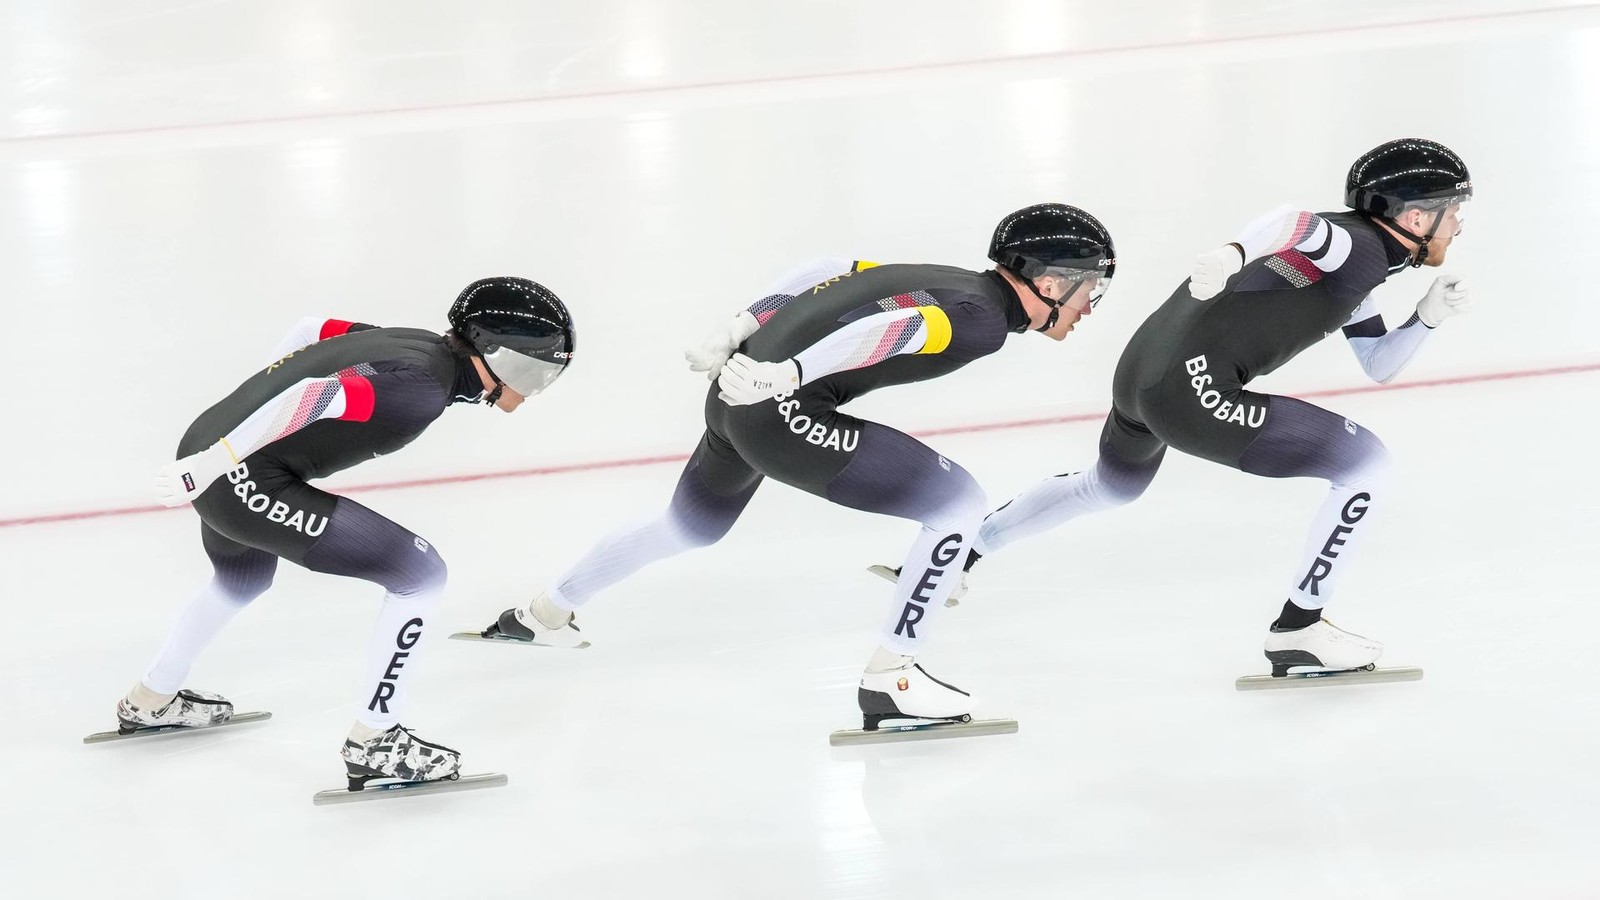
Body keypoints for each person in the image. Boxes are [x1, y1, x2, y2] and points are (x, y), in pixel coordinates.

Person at [472, 204, 1116, 731]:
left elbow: (827, 268)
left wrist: (739, 327)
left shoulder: (951, 277)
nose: (1091, 305)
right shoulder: (980, 322)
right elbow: (898, 329)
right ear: (1051, 282)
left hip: (735, 394)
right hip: (777, 403)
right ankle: (893, 677)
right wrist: (793, 374)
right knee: (957, 506)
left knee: (689, 526)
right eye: (1091, 288)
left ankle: (540, 614)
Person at [963, 138, 1474, 677]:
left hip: (1140, 374)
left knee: (1109, 486)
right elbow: (1294, 222)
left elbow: (1378, 363)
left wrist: (1427, 318)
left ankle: (963, 553)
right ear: (1416, 217)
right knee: (1366, 464)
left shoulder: (1362, 268)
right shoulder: (1356, 245)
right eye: (1453, 211)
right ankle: (1300, 628)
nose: (1458, 225)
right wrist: (1232, 253)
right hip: (1192, 392)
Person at [112, 277, 575, 787]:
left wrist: (240, 424)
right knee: (420, 574)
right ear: (495, 354)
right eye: (534, 373)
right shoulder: (421, 388)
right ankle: (376, 740)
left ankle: (150, 699)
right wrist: (219, 460)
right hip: (233, 474)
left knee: (241, 581)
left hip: (213, 448)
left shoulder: (418, 344)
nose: (533, 391)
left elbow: (310, 330)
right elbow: (317, 394)